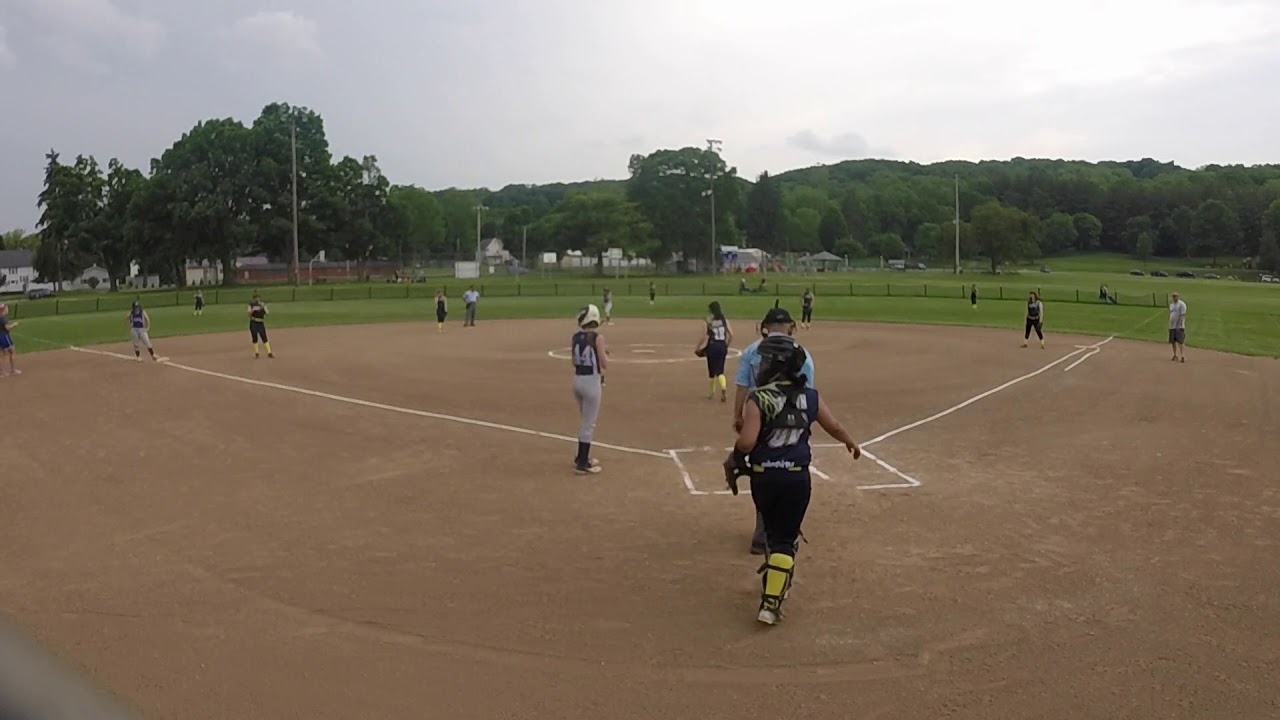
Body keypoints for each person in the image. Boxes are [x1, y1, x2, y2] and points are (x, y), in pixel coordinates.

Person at [725, 334, 860, 625]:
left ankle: (774, 580)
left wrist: (735, 456)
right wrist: (850, 442)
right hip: (796, 479)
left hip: (765, 479)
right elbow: (833, 425)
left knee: (774, 535)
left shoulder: (758, 398)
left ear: (777, 365)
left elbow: (747, 443)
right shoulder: (810, 396)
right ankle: (771, 603)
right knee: (787, 539)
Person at [734, 306, 817, 555]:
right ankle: (784, 535)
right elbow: (808, 394)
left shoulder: (751, 351)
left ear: (764, 327)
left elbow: (742, 385)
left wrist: (738, 416)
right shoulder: (803, 355)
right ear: (791, 327)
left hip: (759, 417)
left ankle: (763, 534)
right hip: (789, 425)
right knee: (791, 474)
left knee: (763, 472)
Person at [570, 304, 608, 475]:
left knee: (585, 421)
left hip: (577, 380)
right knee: (588, 424)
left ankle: (581, 457)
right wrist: (605, 353)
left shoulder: (575, 337)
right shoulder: (598, 337)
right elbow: (604, 363)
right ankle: (583, 463)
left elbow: (574, 361)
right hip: (591, 382)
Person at [695, 301, 733, 402]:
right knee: (720, 371)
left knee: (712, 371)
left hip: (712, 346)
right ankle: (723, 388)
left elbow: (704, 336)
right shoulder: (725, 320)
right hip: (722, 345)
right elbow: (731, 335)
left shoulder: (709, 320)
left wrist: (697, 347)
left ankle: (711, 393)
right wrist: (726, 346)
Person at [248, 293, 274, 359]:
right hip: (253, 322)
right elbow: (249, 313)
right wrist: (253, 310)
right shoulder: (251, 305)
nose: (257, 299)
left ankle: (269, 352)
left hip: (260, 323)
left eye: (258, 297)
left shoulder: (263, 304)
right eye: (256, 298)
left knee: (264, 336)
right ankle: (256, 353)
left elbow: (267, 313)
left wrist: (263, 308)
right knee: (254, 337)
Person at [0, 304, 20, 377]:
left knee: (2, 354)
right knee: (12, 352)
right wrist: (14, 325)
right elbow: (7, 328)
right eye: (6, 308)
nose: (7, 309)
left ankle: (1, 372)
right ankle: (13, 370)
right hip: (5, 337)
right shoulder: (3, 318)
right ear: (3, 310)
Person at [1169, 292, 1188, 363]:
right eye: (1173, 296)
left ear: (1178, 297)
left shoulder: (1182, 304)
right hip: (1172, 326)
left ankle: (1182, 356)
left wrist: (1178, 325)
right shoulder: (1171, 305)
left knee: (1180, 341)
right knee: (1173, 341)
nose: (1175, 298)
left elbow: (1182, 316)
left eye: (1176, 296)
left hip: (1179, 326)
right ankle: (1175, 355)